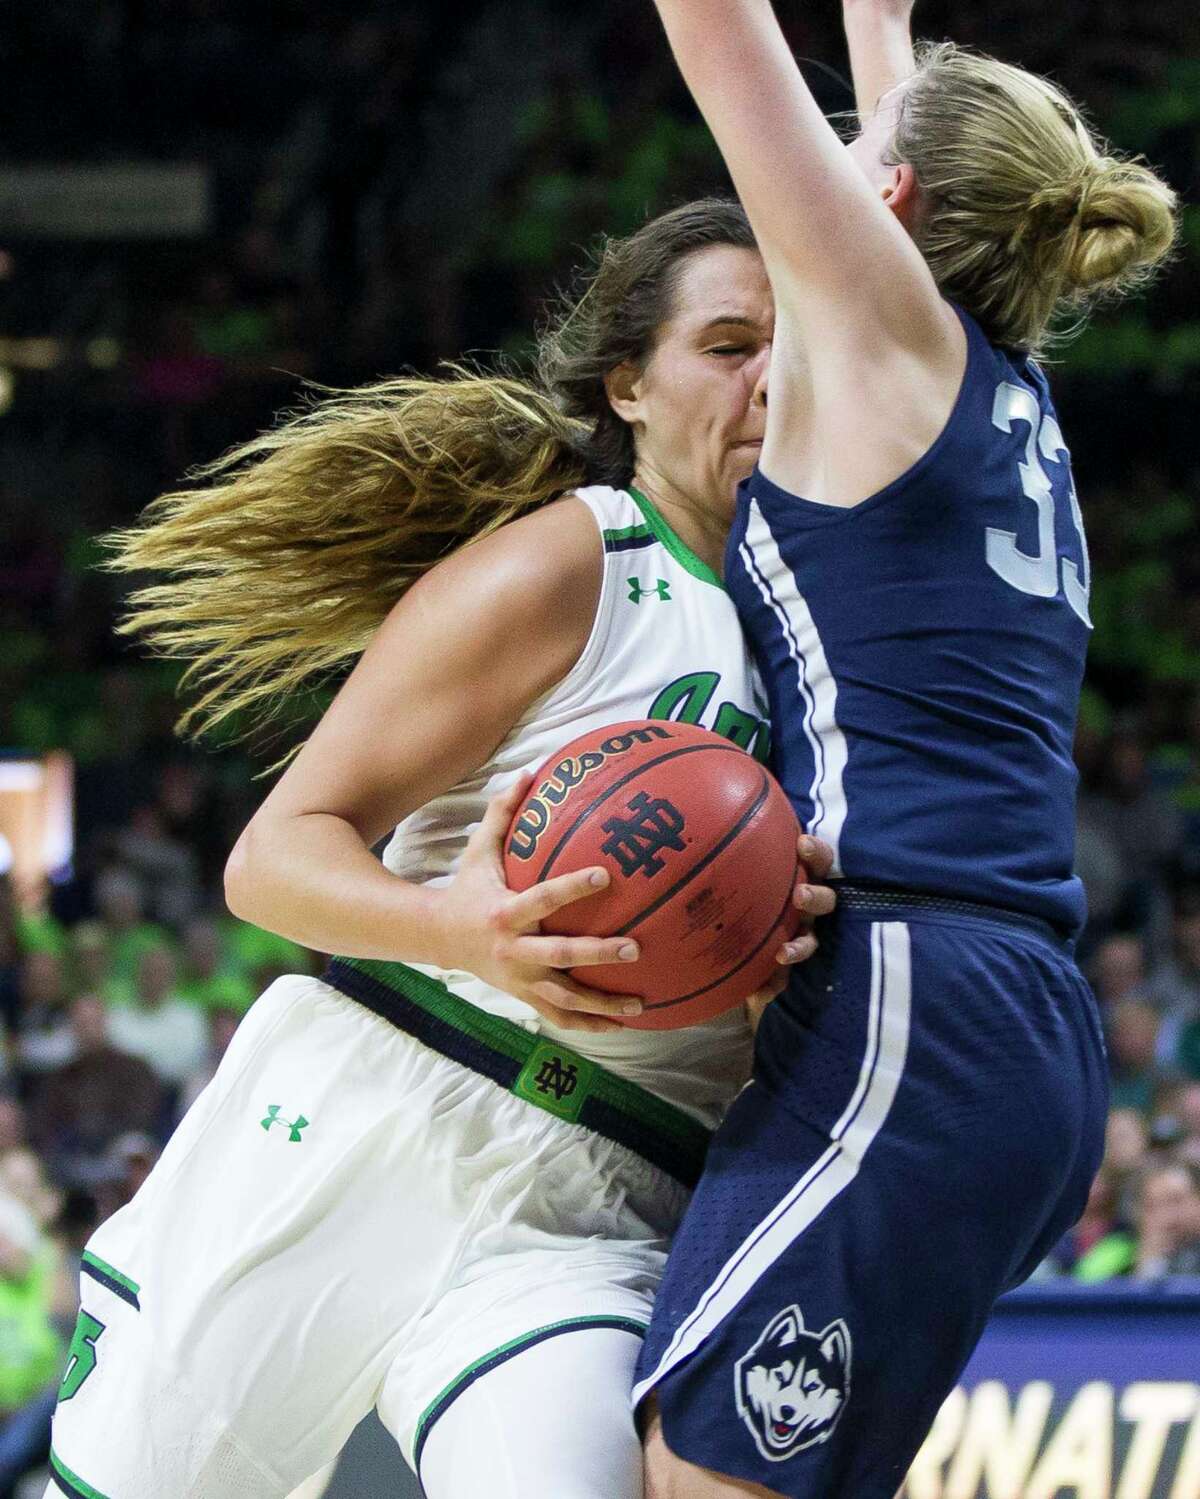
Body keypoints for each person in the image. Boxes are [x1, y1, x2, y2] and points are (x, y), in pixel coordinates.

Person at [44, 199, 836, 1499]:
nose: (767, 382)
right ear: (629, 383)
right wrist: (456, 930)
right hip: (370, 1116)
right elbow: (274, 856)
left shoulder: (833, 644)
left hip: (596, 1206)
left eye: (793, 350)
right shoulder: (567, 565)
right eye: (730, 344)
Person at [633, 2, 1178, 1496]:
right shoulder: (1003, 390)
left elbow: (718, 38)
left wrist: (867, 60)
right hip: (1007, 1017)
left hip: (912, 1005)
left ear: (890, 202)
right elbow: (912, 167)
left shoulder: (882, 333)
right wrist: (882, 30)